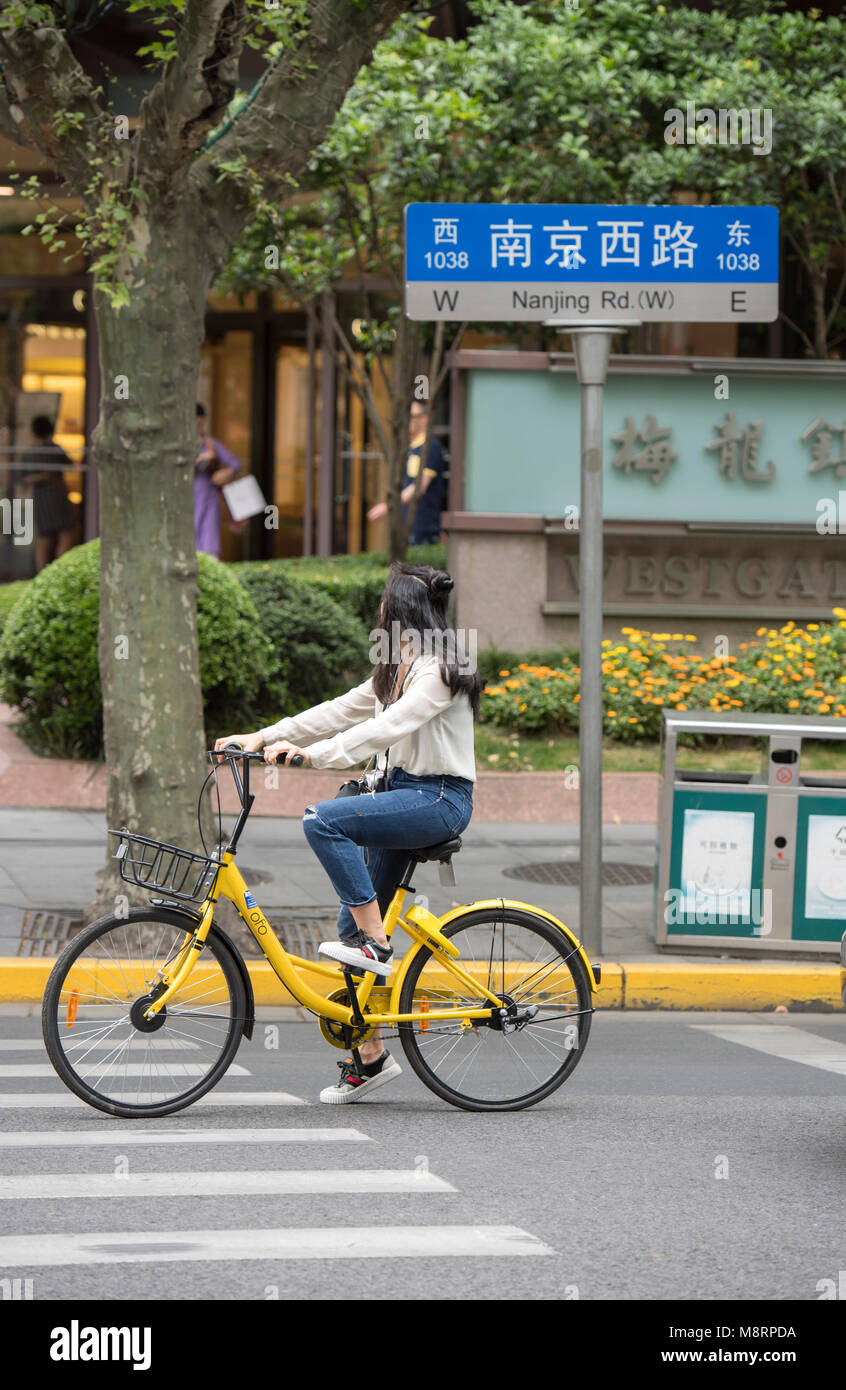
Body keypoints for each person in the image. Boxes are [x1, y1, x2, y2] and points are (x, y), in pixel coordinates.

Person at [216, 561, 481, 1104]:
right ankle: (371, 1058)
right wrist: (260, 735)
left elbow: (387, 727)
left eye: (384, 606)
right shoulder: (395, 668)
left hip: (438, 798)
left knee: (322, 820)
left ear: (403, 614)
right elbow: (334, 712)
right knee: (349, 933)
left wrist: (312, 759)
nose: (377, 614)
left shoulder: (437, 673)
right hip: (400, 792)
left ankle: (380, 944)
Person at [367, 400, 447, 545]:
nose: (407, 421)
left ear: (424, 419)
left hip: (423, 528)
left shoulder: (430, 447)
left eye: (412, 416)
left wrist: (388, 506)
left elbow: (420, 485)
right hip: (407, 526)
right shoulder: (409, 448)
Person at [20, 415, 77, 573]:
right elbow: (71, 465)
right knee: (66, 532)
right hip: (57, 495)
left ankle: (42, 575)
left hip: (40, 497)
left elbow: (22, 478)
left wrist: (37, 478)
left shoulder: (29, 453)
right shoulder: (54, 448)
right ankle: (60, 570)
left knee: (45, 537)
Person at [194, 403, 241, 557]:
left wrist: (225, 473)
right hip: (186, 500)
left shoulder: (210, 444)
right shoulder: (180, 445)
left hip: (208, 499)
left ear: (200, 420)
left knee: (208, 547)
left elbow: (235, 464)